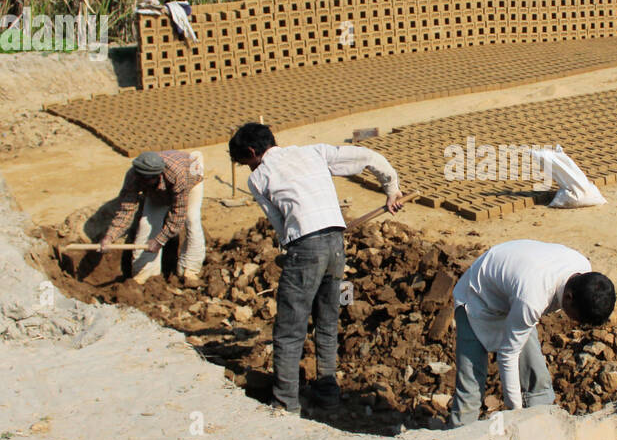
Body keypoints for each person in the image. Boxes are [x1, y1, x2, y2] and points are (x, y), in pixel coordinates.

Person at [228, 122, 404, 413]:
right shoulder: (313, 152)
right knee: (326, 319)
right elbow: (370, 158)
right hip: (335, 243)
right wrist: (392, 189)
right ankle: (327, 393)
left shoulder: (258, 178)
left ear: (251, 152)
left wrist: (291, 251)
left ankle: (286, 404)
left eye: (246, 162)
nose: (248, 168)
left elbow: (279, 224)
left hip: (305, 248)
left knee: (289, 329)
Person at [448, 240, 615, 428]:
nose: (575, 322)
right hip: (477, 298)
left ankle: (542, 422)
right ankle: (459, 436)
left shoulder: (582, 267)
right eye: (577, 317)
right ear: (569, 297)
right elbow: (507, 355)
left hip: (513, 293)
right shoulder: (532, 298)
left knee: (536, 376)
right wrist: (515, 412)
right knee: (471, 383)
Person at [100, 150, 205, 285]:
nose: (144, 182)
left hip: (191, 177)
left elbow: (178, 214)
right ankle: (146, 276)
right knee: (146, 224)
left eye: (148, 180)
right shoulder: (134, 176)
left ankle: (189, 270)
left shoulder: (178, 175)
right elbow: (126, 209)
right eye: (142, 179)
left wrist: (159, 240)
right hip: (158, 192)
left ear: (158, 175)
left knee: (191, 219)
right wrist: (110, 236)